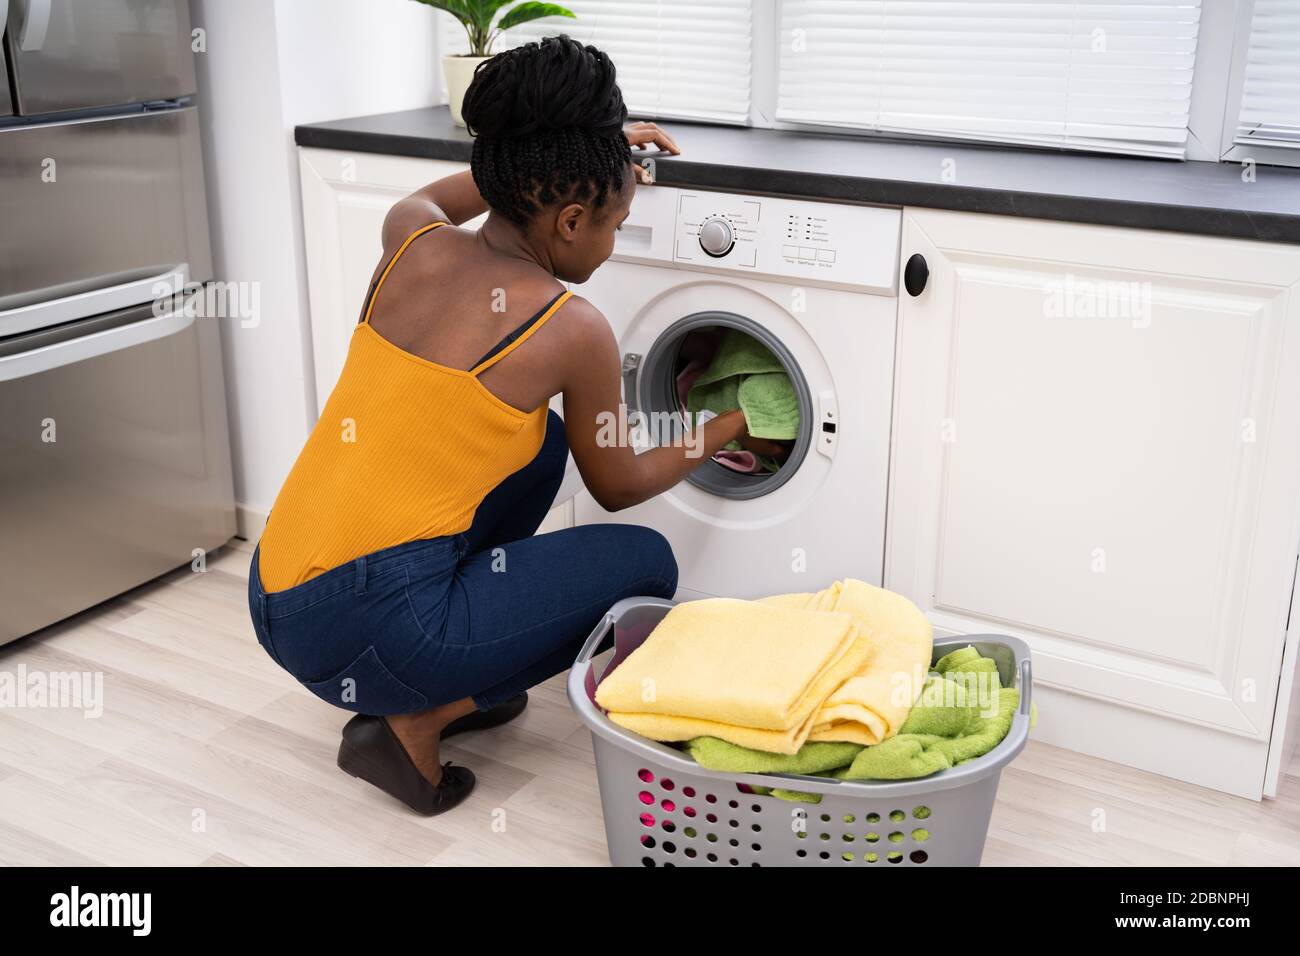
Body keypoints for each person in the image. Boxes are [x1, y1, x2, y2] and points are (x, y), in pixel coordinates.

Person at [247, 35, 783, 815]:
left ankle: (450, 668)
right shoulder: (570, 328)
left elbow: (457, 194)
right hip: (370, 622)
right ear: (568, 221)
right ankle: (416, 719)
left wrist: (568, 156)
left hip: (276, 592)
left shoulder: (411, 234)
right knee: (646, 569)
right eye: (613, 221)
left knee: (540, 450)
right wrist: (733, 421)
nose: (611, 238)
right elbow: (621, 484)